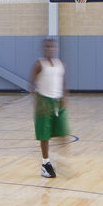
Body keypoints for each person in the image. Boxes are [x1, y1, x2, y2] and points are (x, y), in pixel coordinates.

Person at [31, 38, 69, 177]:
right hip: (44, 101)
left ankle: (62, 161)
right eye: (47, 46)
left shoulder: (60, 64)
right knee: (44, 135)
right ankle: (45, 163)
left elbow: (63, 83)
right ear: (43, 48)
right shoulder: (39, 64)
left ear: (56, 48)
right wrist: (37, 99)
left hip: (57, 102)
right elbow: (32, 83)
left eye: (52, 46)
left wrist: (64, 98)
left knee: (63, 133)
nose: (50, 49)